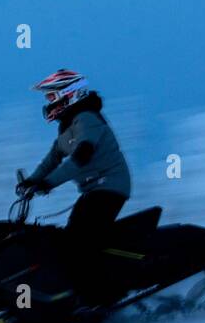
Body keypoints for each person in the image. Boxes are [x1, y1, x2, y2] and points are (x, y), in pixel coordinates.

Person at [16, 69, 132, 255]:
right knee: (67, 239)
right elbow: (52, 159)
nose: (50, 103)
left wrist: (47, 183)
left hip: (109, 187)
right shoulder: (69, 126)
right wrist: (31, 181)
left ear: (68, 94)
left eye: (52, 97)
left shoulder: (86, 119)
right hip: (93, 191)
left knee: (78, 243)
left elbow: (81, 157)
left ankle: (96, 283)